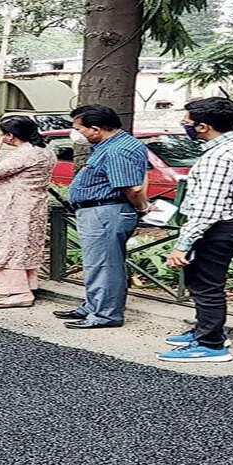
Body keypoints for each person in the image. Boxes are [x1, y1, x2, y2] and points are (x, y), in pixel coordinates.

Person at [157, 97, 233, 363]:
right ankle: (206, 330)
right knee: (207, 280)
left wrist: (183, 244)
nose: (183, 126)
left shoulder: (219, 157)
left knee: (204, 283)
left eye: (186, 122)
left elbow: (207, 207)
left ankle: (210, 344)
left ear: (203, 126)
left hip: (218, 226)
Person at [54, 104, 150, 329]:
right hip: (99, 210)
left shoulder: (118, 150)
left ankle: (105, 314)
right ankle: (93, 306)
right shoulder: (111, 145)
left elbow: (132, 188)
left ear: (96, 129)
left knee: (104, 264)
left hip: (105, 210)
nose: (77, 134)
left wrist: (142, 207)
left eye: (79, 129)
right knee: (97, 263)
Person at [0, 115, 56, 308]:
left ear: (9, 136)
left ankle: (18, 292)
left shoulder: (24, 154)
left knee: (5, 248)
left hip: (11, 208)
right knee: (26, 247)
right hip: (32, 206)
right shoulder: (45, 151)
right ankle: (28, 285)